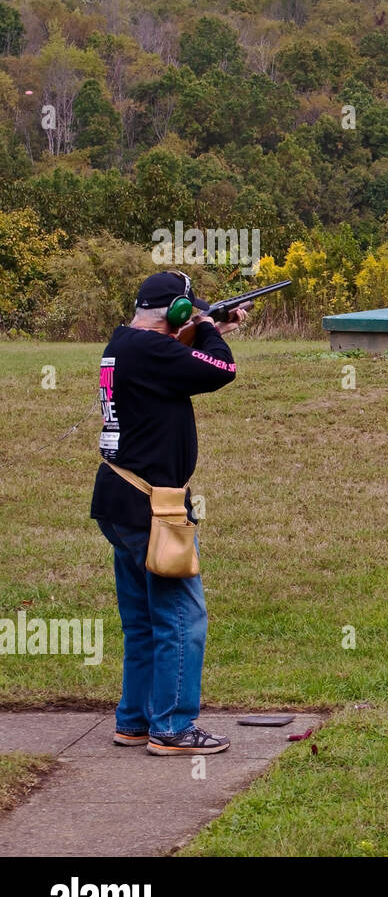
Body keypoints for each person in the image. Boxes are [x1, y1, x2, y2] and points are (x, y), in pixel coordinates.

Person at [91, 270, 247, 756]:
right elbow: (221, 371)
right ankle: (174, 728)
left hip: (119, 498)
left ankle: (134, 722)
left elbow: (175, 364)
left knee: (142, 621)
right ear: (176, 314)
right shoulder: (155, 351)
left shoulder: (124, 344)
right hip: (153, 507)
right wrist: (204, 329)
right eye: (189, 309)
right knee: (182, 618)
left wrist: (207, 329)